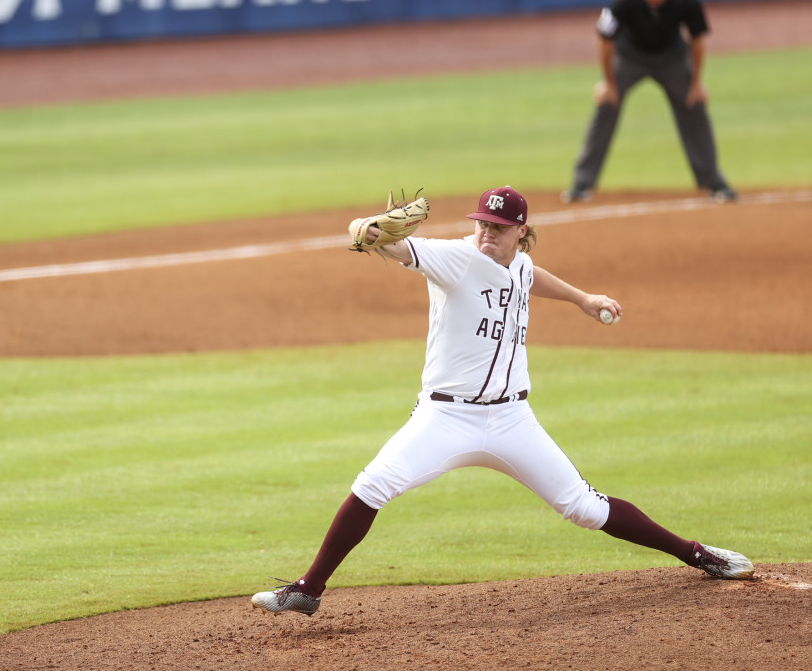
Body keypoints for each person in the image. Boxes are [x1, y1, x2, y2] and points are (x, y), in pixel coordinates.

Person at [252, 186, 753, 617]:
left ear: (520, 231)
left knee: (584, 507)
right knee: (374, 484)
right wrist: (363, 226)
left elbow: (532, 276)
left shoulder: (519, 266)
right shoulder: (456, 259)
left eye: (497, 227)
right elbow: (400, 248)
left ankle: (697, 554)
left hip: (513, 420)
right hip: (446, 416)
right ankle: (308, 590)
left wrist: (583, 298)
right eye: (481, 225)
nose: (485, 234)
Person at [562, 0, 737, 204]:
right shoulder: (625, 0)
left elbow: (697, 41)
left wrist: (696, 84)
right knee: (606, 104)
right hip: (630, 56)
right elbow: (604, 38)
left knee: (694, 104)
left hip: (672, 58)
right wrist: (608, 83)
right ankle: (582, 182)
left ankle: (714, 181)